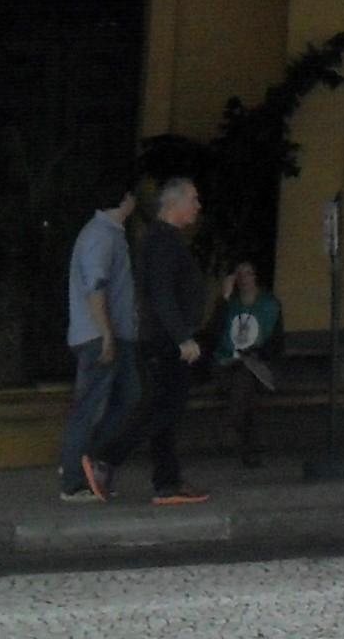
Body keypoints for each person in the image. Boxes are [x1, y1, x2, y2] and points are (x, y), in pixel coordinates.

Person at [85, 177, 212, 506]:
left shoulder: (164, 240)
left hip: (163, 337)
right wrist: (183, 337)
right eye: (193, 199)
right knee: (165, 407)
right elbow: (162, 294)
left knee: (164, 410)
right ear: (174, 203)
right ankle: (107, 458)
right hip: (165, 340)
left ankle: (167, 482)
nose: (198, 206)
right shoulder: (162, 242)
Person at [57, 175, 137, 503]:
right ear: (125, 198)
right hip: (99, 335)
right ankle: (74, 479)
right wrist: (105, 334)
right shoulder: (100, 237)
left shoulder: (110, 235)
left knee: (129, 397)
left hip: (114, 333)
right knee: (89, 407)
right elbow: (95, 288)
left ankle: (90, 464)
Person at [209, 261, 285, 469]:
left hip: (257, 366)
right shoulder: (228, 305)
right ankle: (250, 450)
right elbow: (213, 334)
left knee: (246, 376)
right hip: (226, 364)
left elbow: (277, 345)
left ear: (255, 277)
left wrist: (255, 354)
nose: (244, 279)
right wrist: (223, 298)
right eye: (239, 275)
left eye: (248, 274)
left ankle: (229, 425)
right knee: (244, 389)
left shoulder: (270, 305)